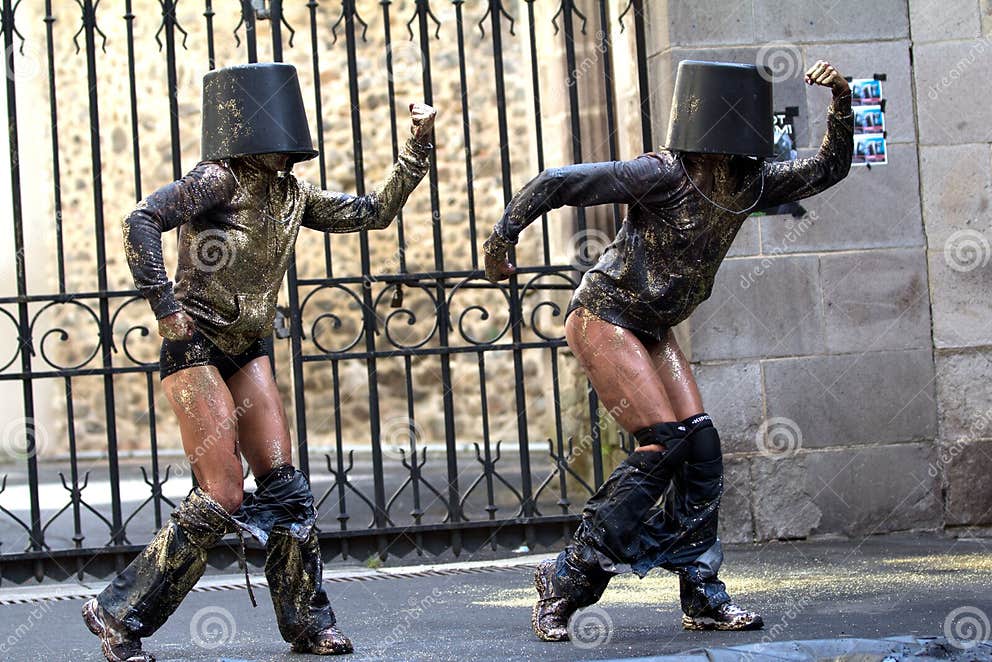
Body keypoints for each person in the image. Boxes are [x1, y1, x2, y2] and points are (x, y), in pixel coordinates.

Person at [483, 60, 852, 638]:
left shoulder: (750, 183)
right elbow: (557, 182)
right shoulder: (660, 174)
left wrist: (842, 100)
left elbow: (829, 168)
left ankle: (702, 597)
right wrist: (502, 237)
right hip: (606, 313)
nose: (725, 159)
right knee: (664, 445)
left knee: (701, 448)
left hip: (653, 326)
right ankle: (566, 581)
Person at [82, 62, 435, 661]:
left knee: (286, 486)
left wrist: (417, 149)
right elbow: (139, 219)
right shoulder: (215, 181)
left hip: (248, 344)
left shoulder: (292, 194)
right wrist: (164, 305)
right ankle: (118, 612)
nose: (286, 148)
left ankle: (306, 623)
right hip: (194, 344)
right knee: (222, 493)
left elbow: (373, 212)